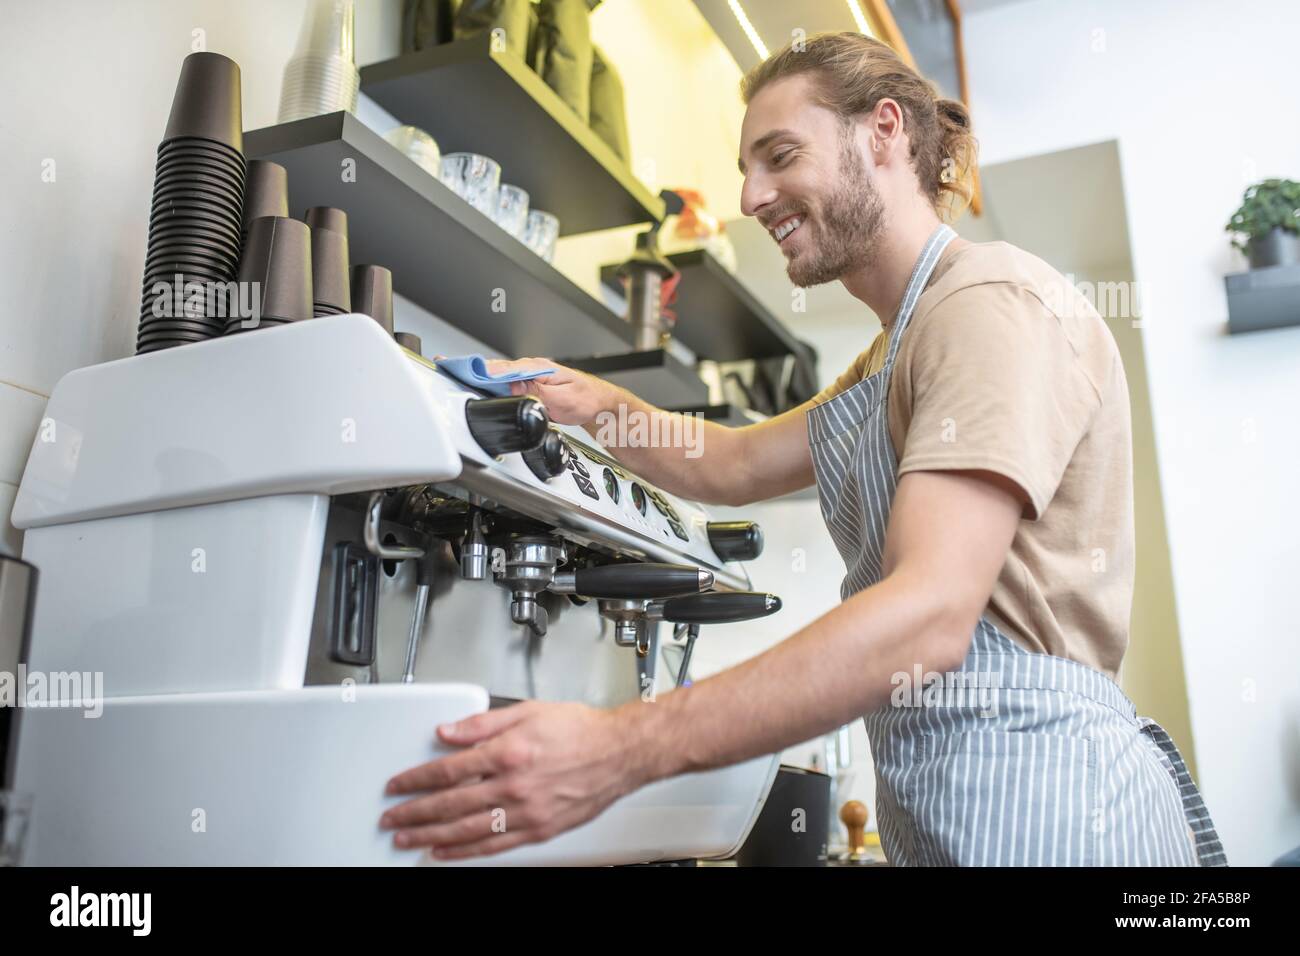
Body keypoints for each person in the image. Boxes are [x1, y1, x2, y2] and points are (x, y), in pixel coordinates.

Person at [378, 32, 1225, 866]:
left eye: (779, 155)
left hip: (1053, 808)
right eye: (748, 168)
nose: (751, 195)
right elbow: (735, 466)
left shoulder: (987, 303)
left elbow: (928, 615)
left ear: (883, 131)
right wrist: (593, 403)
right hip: (963, 806)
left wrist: (615, 750)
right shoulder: (896, 348)